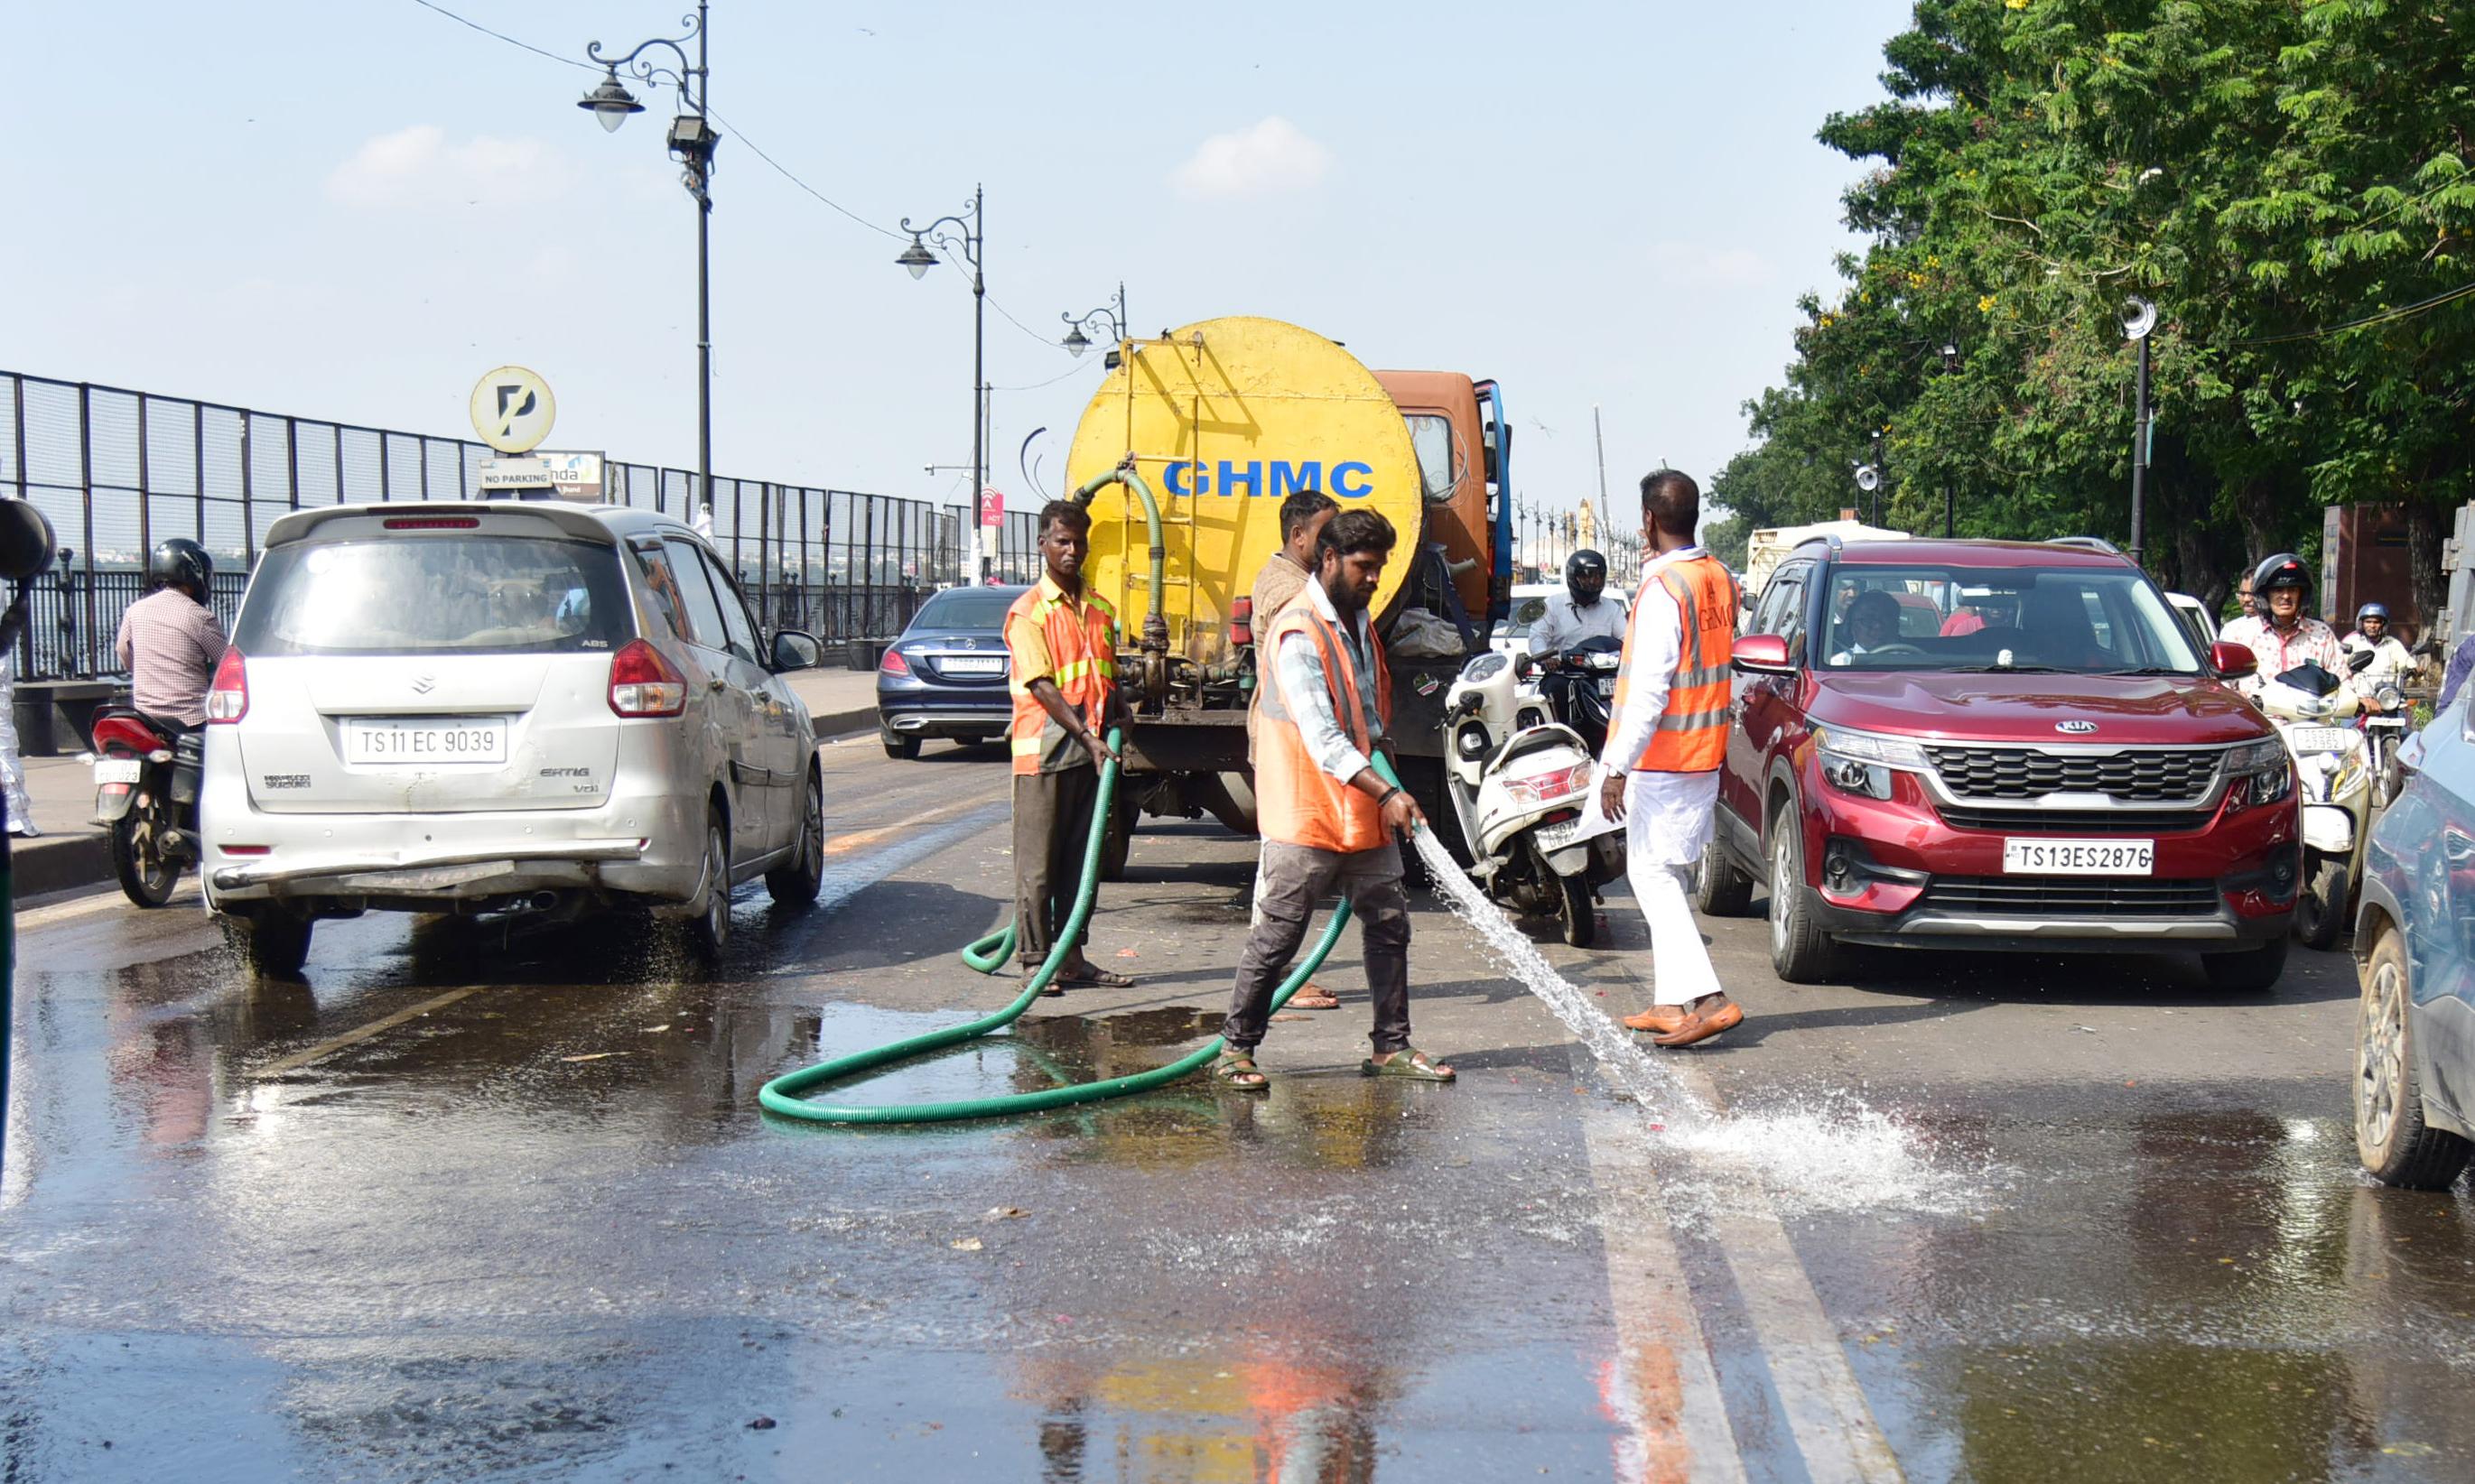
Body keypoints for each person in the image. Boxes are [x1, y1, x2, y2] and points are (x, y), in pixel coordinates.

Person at [1216, 508, 1454, 1089]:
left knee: (1390, 923)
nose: (1374, 577)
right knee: (1278, 934)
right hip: (1307, 807)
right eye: (1364, 566)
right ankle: (1234, 1050)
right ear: (1328, 560)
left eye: (1379, 567)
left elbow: (1365, 709)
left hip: (1357, 804)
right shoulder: (1299, 629)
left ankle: (1389, 1047)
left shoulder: (1356, 619)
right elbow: (1323, 738)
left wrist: (1387, 758)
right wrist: (1388, 793)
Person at [1597, 470, 1745, 1049]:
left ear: (1649, 521)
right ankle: (1667, 1002)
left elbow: (1650, 692)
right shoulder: (1718, 578)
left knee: (1653, 876)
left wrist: (1616, 767)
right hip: (1702, 752)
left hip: (1665, 756)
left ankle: (1709, 999)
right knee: (1663, 871)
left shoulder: (1664, 591)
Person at [1003, 501, 1138, 992]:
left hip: (1091, 751)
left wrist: (1121, 708)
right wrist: (1087, 736)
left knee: (1081, 864)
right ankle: (1035, 962)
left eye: (1079, 542)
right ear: (1043, 544)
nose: (1072, 550)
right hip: (1045, 751)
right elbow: (1041, 685)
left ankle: (1073, 957)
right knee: (1039, 865)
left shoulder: (1101, 608)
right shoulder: (1028, 613)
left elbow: (1107, 673)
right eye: (1062, 541)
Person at [1245, 487, 1342, 1010]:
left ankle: (1282, 973)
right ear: (1298, 535)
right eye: (1326, 534)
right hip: (1287, 745)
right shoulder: (1284, 587)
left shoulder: (1302, 580)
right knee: (1282, 869)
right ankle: (1276, 978)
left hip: (1300, 743)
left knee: (1293, 866)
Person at [114, 537, 226, 730]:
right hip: (190, 719)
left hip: (145, 717)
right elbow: (227, 663)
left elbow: (123, 652)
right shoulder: (200, 617)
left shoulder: (136, 610)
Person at [2238, 552, 2348, 684]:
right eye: (2278, 590)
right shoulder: (2242, 634)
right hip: (2254, 705)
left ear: (2302, 596)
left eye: (2293, 590)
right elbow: (2225, 686)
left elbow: (2343, 682)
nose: (2286, 596)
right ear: (2264, 596)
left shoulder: (2321, 634)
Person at [1529, 549, 1629, 663]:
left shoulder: (1611, 608)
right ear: (1572, 577)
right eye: (1586, 577)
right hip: (1563, 673)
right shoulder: (1552, 605)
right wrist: (1546, 659)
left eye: (1597, 577)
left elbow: (1627, 639)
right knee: (1553, 682)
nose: (1592, 582)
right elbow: (1537, 637)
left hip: (1603, 673)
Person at [2342, 602, 2414, 699]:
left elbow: (2407, 662)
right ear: (2361, 624)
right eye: (2368, 622)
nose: (2372, 626)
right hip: (2357, 700)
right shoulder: (2352, 641)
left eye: (2376, 622)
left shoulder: (2393, 644)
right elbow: (2339, 666)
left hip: (2387, 699)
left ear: (2383, 625)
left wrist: (2414, 669)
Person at [1829, 589, 1902, 663]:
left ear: (1896, 627)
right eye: (1869, 620)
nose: (1878, 625)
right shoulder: (1839, 665)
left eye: (1887, 619)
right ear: (1852, 626)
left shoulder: (1911, 663)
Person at [2219, 571, 2264, 646]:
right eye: (2242, 593)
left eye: (2252, 594)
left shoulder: (2277, 629)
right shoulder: (2230, 630)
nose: (2246, 599)